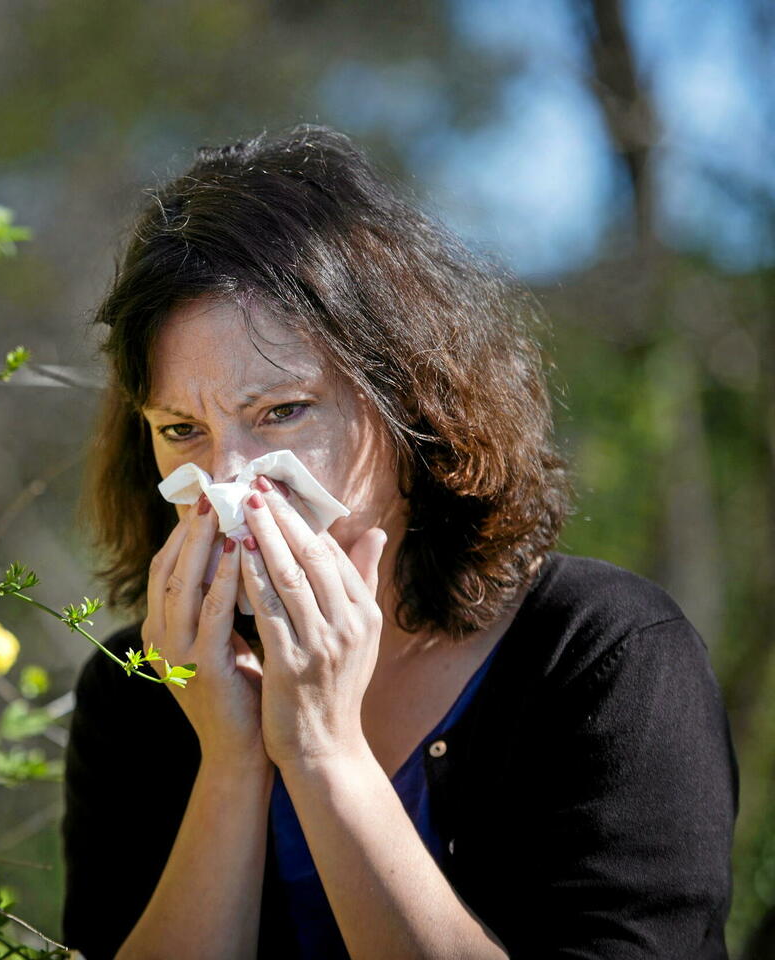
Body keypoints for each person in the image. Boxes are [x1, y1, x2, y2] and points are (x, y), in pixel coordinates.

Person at [61, 124, 739, 959]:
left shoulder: (605, 656)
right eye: (182, 428)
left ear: (407, 403)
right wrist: (231, 765)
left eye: (282, 411)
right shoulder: (138, 689)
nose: (230, 481)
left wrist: (321, 751)